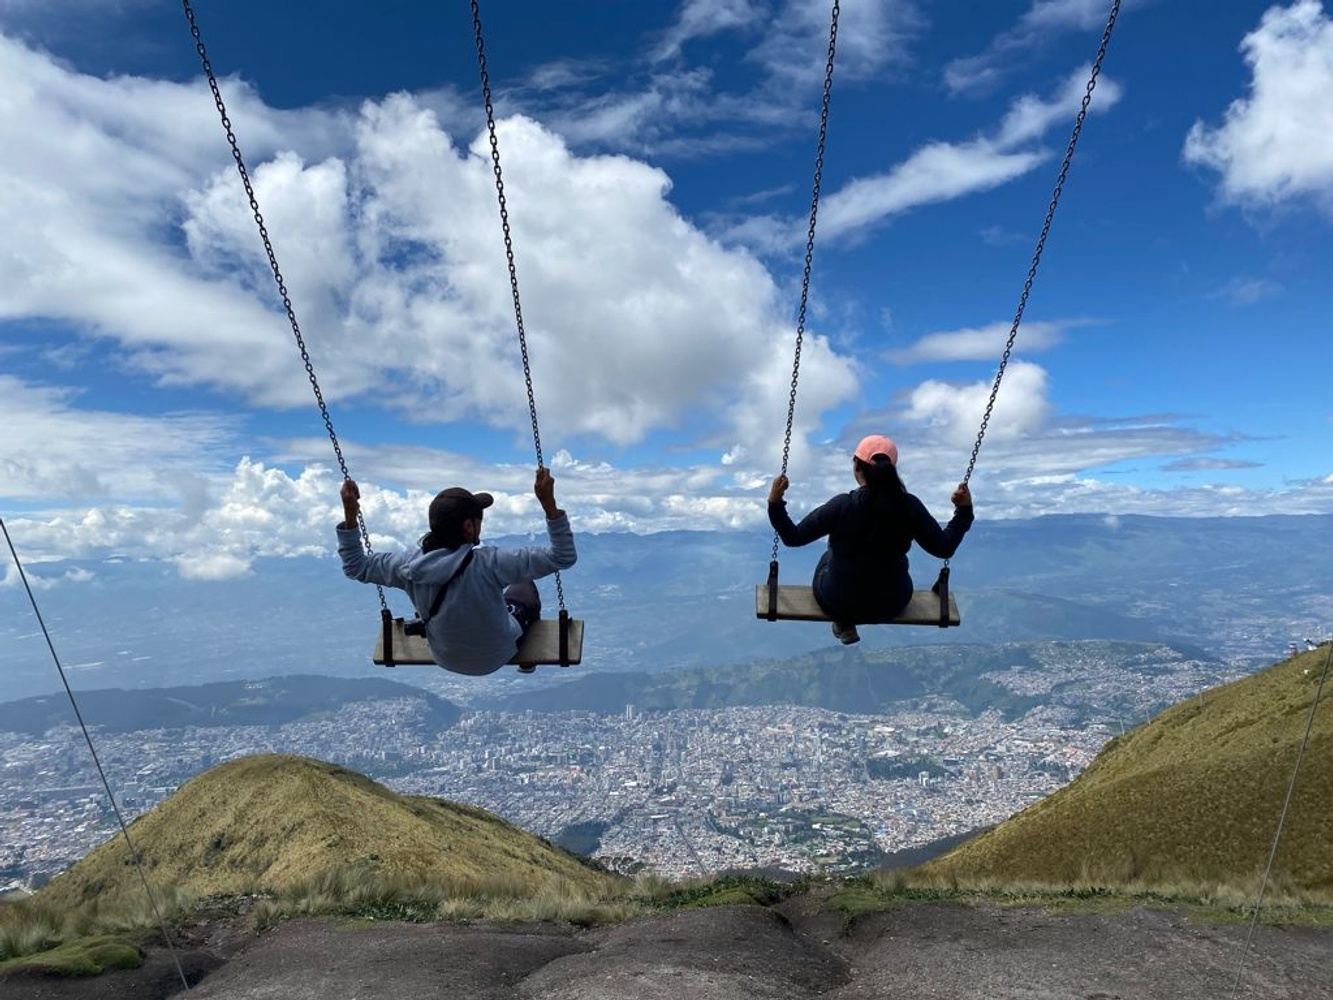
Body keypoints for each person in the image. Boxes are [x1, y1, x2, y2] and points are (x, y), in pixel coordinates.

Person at [337, 467, 576, 675]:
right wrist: (549, 505)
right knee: (524, 587)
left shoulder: (407, 566)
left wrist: (350, 515)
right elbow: (562, 556)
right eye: (478, 519)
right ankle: (526, 662)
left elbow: (355, 565)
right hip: (497, 655)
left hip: (446, 658)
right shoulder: (490, 563)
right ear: (469, 527)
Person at [768, 434, 973, 645]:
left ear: (857, 466)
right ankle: (848, 616)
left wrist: (775, 502)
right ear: (891, 469)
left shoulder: (843, 505)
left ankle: (844, 621)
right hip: (893, 603)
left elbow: (793, 537)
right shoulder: (908, 506)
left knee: (827, 558)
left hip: (837, 601)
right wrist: (964, 511)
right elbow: (944, 548)